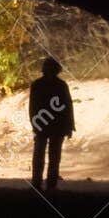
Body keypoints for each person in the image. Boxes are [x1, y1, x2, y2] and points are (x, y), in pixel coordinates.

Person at [28, 56, 75, 191]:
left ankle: (39, 183)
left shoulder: (37, 84)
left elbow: (33, 107)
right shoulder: (61, 85)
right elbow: (68, 106)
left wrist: (34, 123)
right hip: (55, 125)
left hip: (44, 124)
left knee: (41, 155)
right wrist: (69, 126)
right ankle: (49, 184)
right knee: (52, 155)